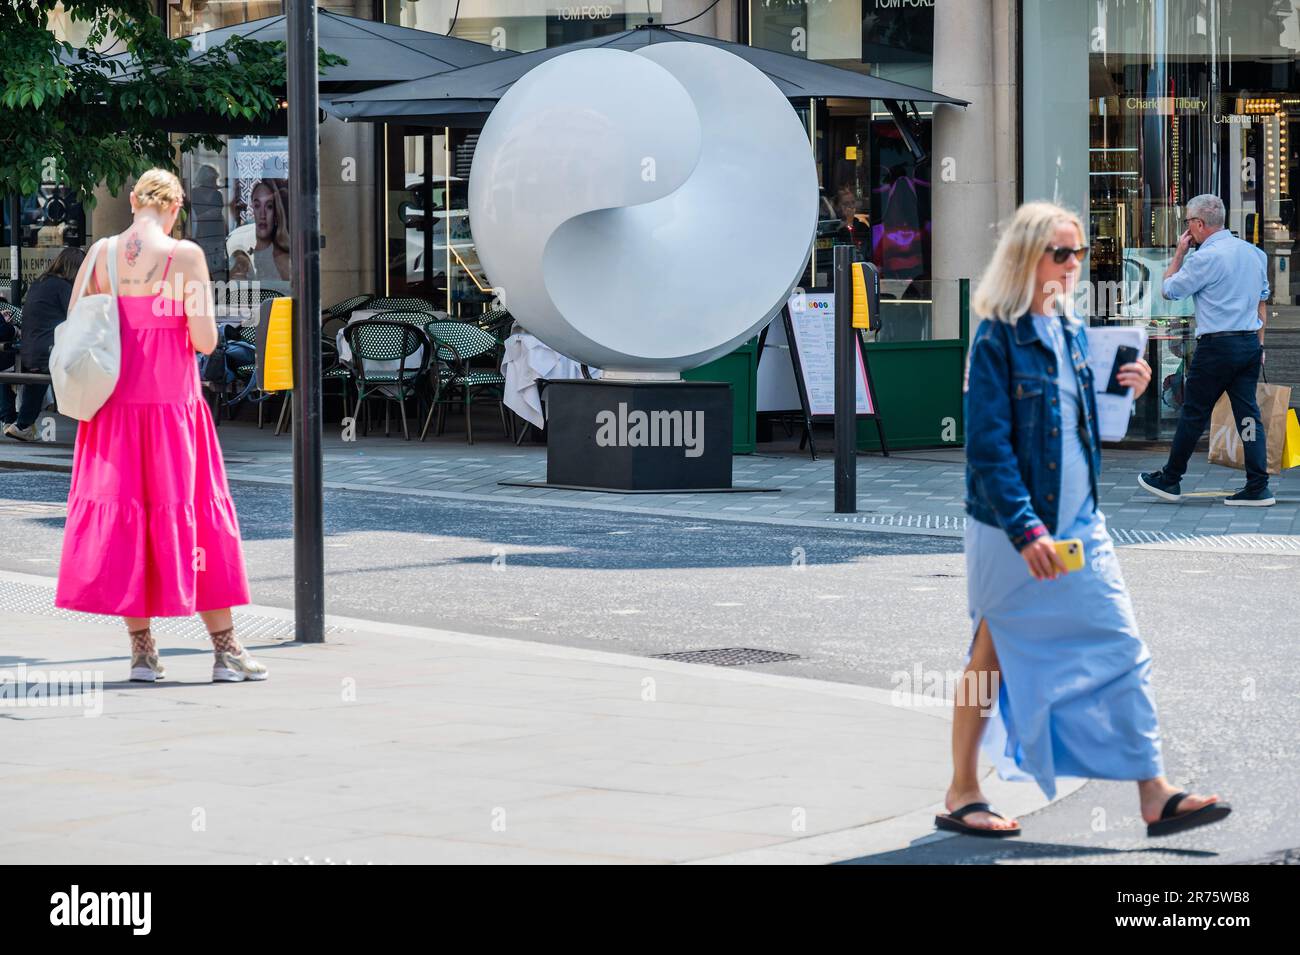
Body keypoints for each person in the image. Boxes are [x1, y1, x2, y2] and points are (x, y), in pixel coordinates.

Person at [942, 200, 1231, 839]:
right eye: (1063, 254)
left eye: (1080, 255)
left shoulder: (1071, 330)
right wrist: (1026, 530)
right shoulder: (998, 336)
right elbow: (987, 449)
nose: (1076, 267)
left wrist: (1123, 387)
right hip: (1012, 531)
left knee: (1122, 646)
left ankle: (1154, 793)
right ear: (1026, 257)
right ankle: (962, 789)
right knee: (988, 656)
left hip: (1079, 525)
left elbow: (1079, 425)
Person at [56, 169, 267, 684]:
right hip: (171, 407)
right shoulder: (185, 256)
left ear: (133, 201)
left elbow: (77, 320)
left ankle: (143, 653)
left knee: (130, 521)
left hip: (112, 412)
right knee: (197, 518)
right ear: (175, 207)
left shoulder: (102, 252)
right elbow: (205, 339)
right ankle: (226, 651)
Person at [1138, 193, 1274, 506]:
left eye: (1188, 223)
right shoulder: (1255, 254)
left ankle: (1170, 479)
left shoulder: (1204, 258)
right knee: (1248, 416)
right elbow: (1261, 303)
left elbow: (1169, 290)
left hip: (1217, 347)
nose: (1187, 229)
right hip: (1249, 343)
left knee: (1193, 414)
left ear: (1199, 224)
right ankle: (1258, 485)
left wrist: (1178, 255)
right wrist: (1260, 344)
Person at [2, 246, 85, 441]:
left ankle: (23, 425)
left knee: (36, 379)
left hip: (30, 349)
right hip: (48, 351)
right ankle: (23, 424)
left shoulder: (40, 283)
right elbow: (77, 315)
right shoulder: (64, 287)